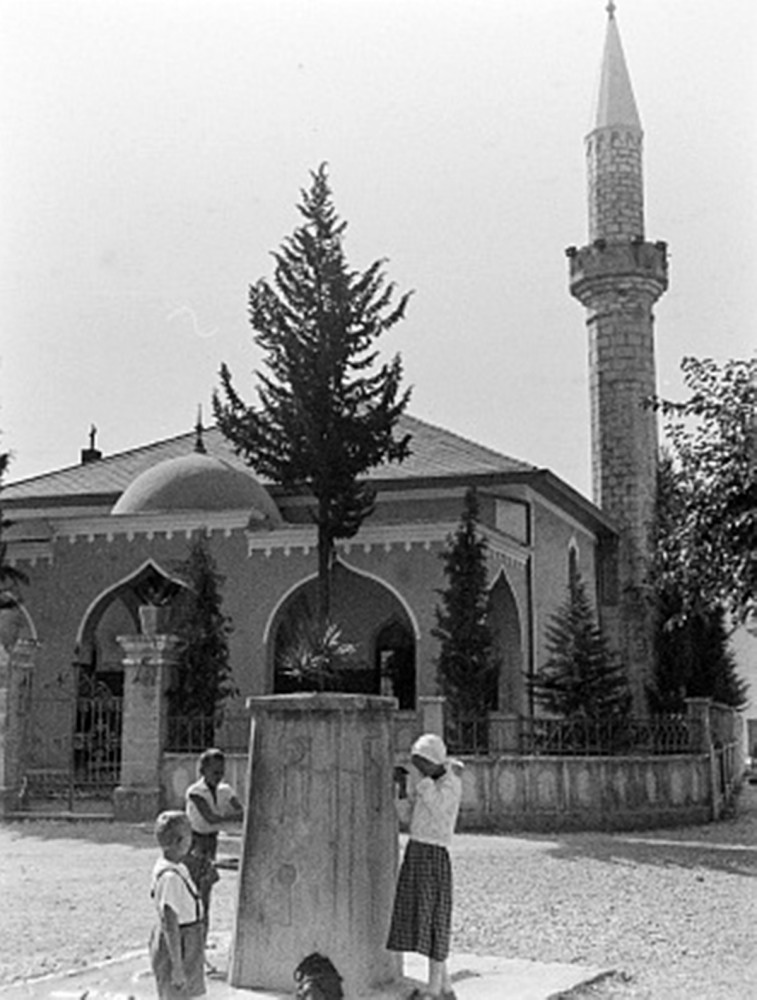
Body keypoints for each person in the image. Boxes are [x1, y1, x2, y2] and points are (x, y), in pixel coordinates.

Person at [387, 733, 463, 1000]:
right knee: (422, 918)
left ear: (435, 761)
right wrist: (402, 788)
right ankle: (444, 985)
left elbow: (439, 808)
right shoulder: (429, 783)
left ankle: (434, 989)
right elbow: (409, 817)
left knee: (434, 921)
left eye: (422, 762)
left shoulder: (450, 784)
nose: (419, 768)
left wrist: (421, 783)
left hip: (433, 853)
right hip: (416, 851)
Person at [184, 747, 244, 943]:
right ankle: (190, 939)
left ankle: (201, 938)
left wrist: (223, 818)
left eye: (221, 772)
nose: (219, 776)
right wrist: (228, 818)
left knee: (206, 892)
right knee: (193, 892)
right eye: (215, 772)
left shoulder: (224, 790)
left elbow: (241, 812)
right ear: (203, 771)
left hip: (211, 842)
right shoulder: (195, 791)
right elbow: (210, 819)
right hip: (194, 843)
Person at [149, 810, 206, 1000]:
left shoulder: (177, 866)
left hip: (188, 939)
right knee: (177, 993)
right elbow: (170, 922)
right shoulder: (170, 877)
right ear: (180, 841)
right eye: (189, 835)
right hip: (178, 942)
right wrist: (177, 967)